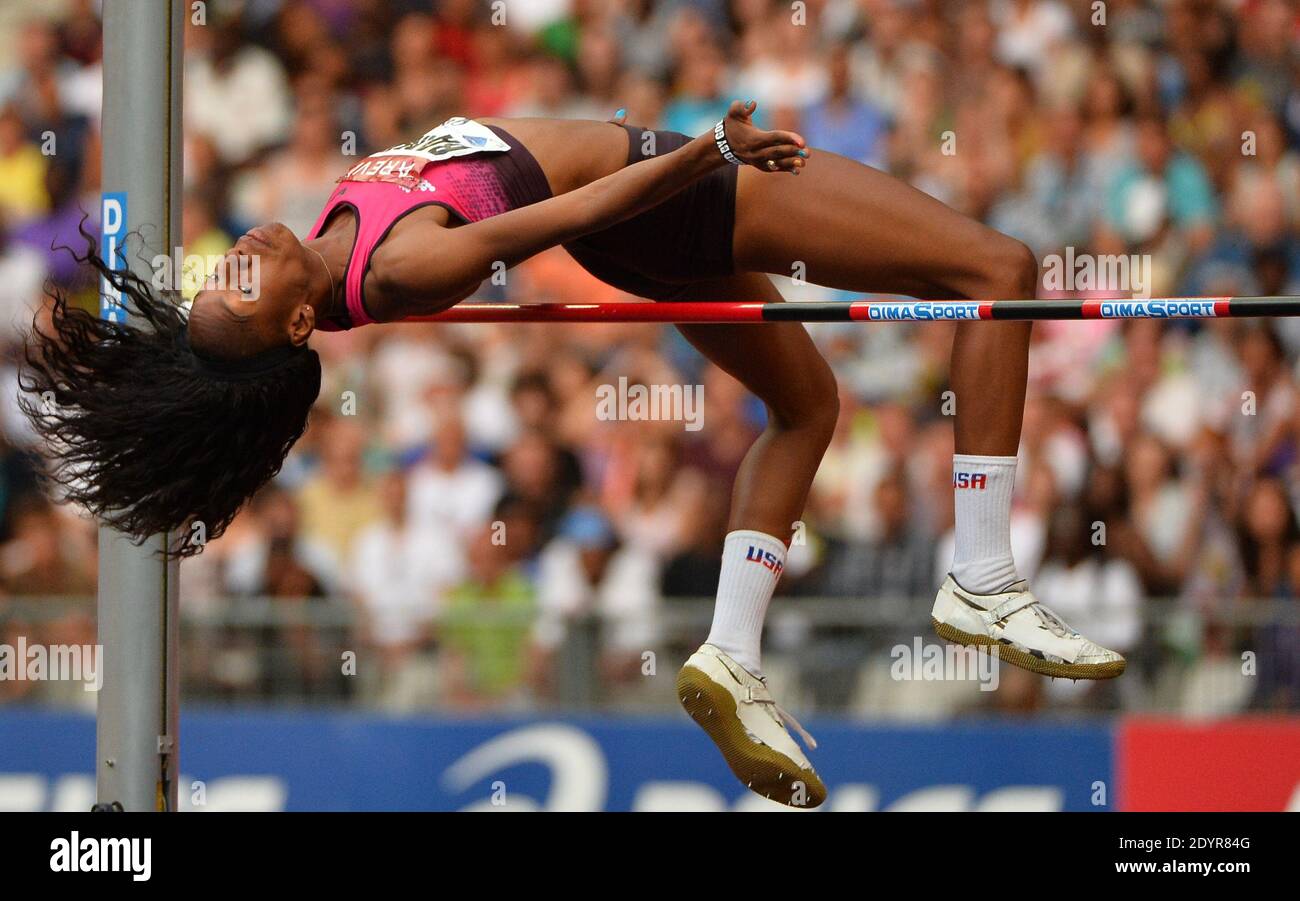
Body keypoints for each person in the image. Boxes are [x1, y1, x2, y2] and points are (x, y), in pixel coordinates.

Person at [22, 103, 1123, 808]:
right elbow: (560, 217)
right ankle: (981, 575)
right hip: (675, 195)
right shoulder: (399, 272)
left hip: (659, 218)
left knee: (805, 409)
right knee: (999, 267)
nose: (241, 257)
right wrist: (706, 151)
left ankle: (731, 651)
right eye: (245, 289)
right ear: (300, 326)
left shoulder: (331, 232)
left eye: (224, 274)